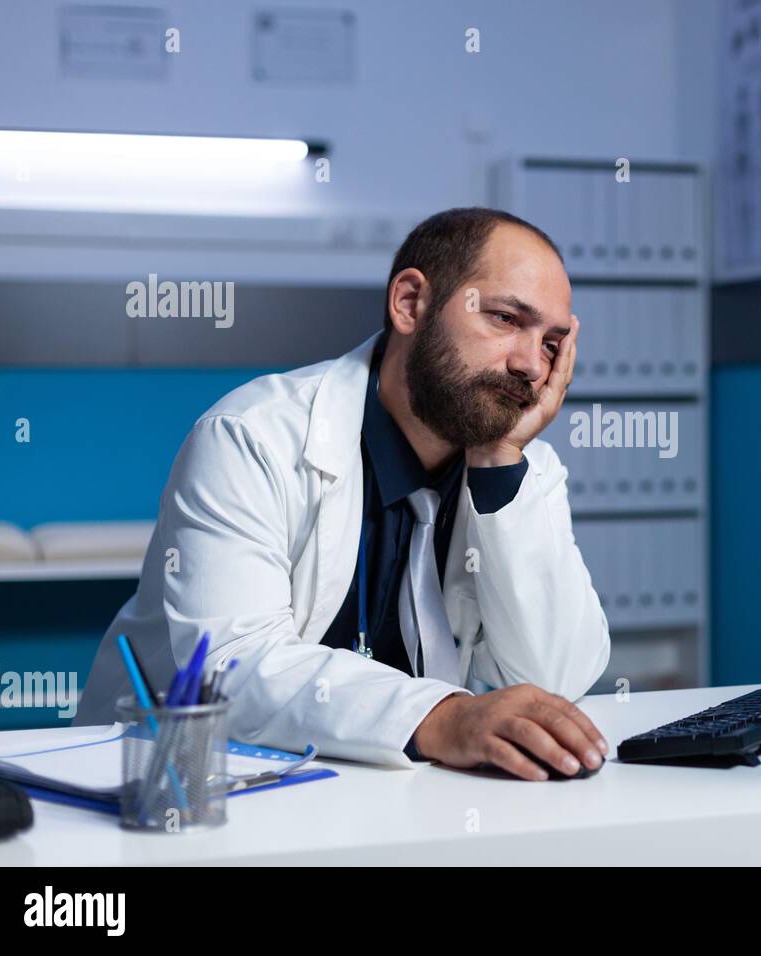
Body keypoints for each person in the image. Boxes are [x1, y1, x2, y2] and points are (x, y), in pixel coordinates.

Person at [76, 207, 611, 781]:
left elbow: (554, 677)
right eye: (506, 319)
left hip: (373, 790)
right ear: (410, 303)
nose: (531, 366)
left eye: (553, 344)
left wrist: (501, 466)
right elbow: (232, 667)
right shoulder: (251, 436)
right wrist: (444, 718)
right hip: (170, 785)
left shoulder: (519, 467)